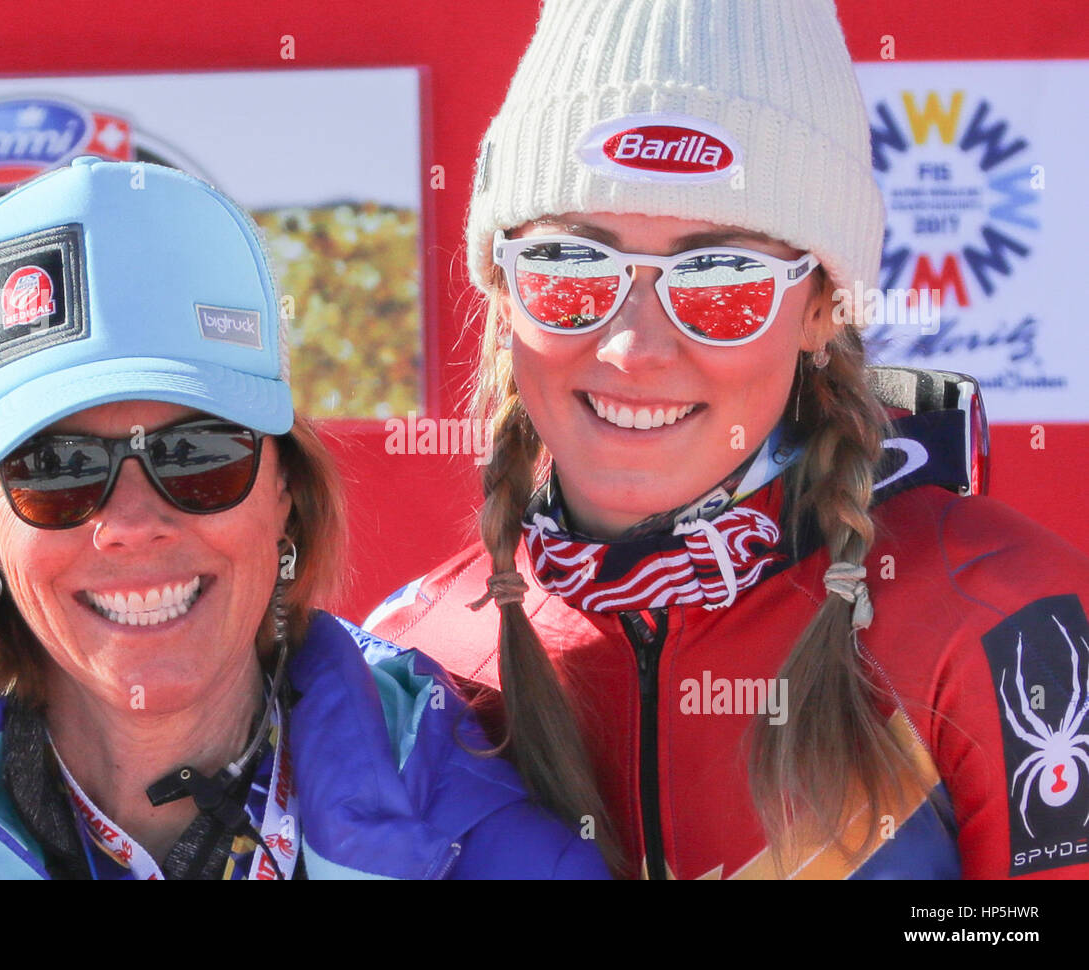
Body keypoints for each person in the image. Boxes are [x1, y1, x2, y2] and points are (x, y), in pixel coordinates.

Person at [366, 0, 1089, 879]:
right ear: (505, 291)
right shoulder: (414, 664)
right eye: (572, 266)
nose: (634, 347)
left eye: (721, 277)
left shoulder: (1008, 620)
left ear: (822, 305)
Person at [0, 157, 608, 880]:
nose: (133, 522)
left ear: (287, 490)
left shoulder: (488, 848)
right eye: (59, 471)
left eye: (198, 456)